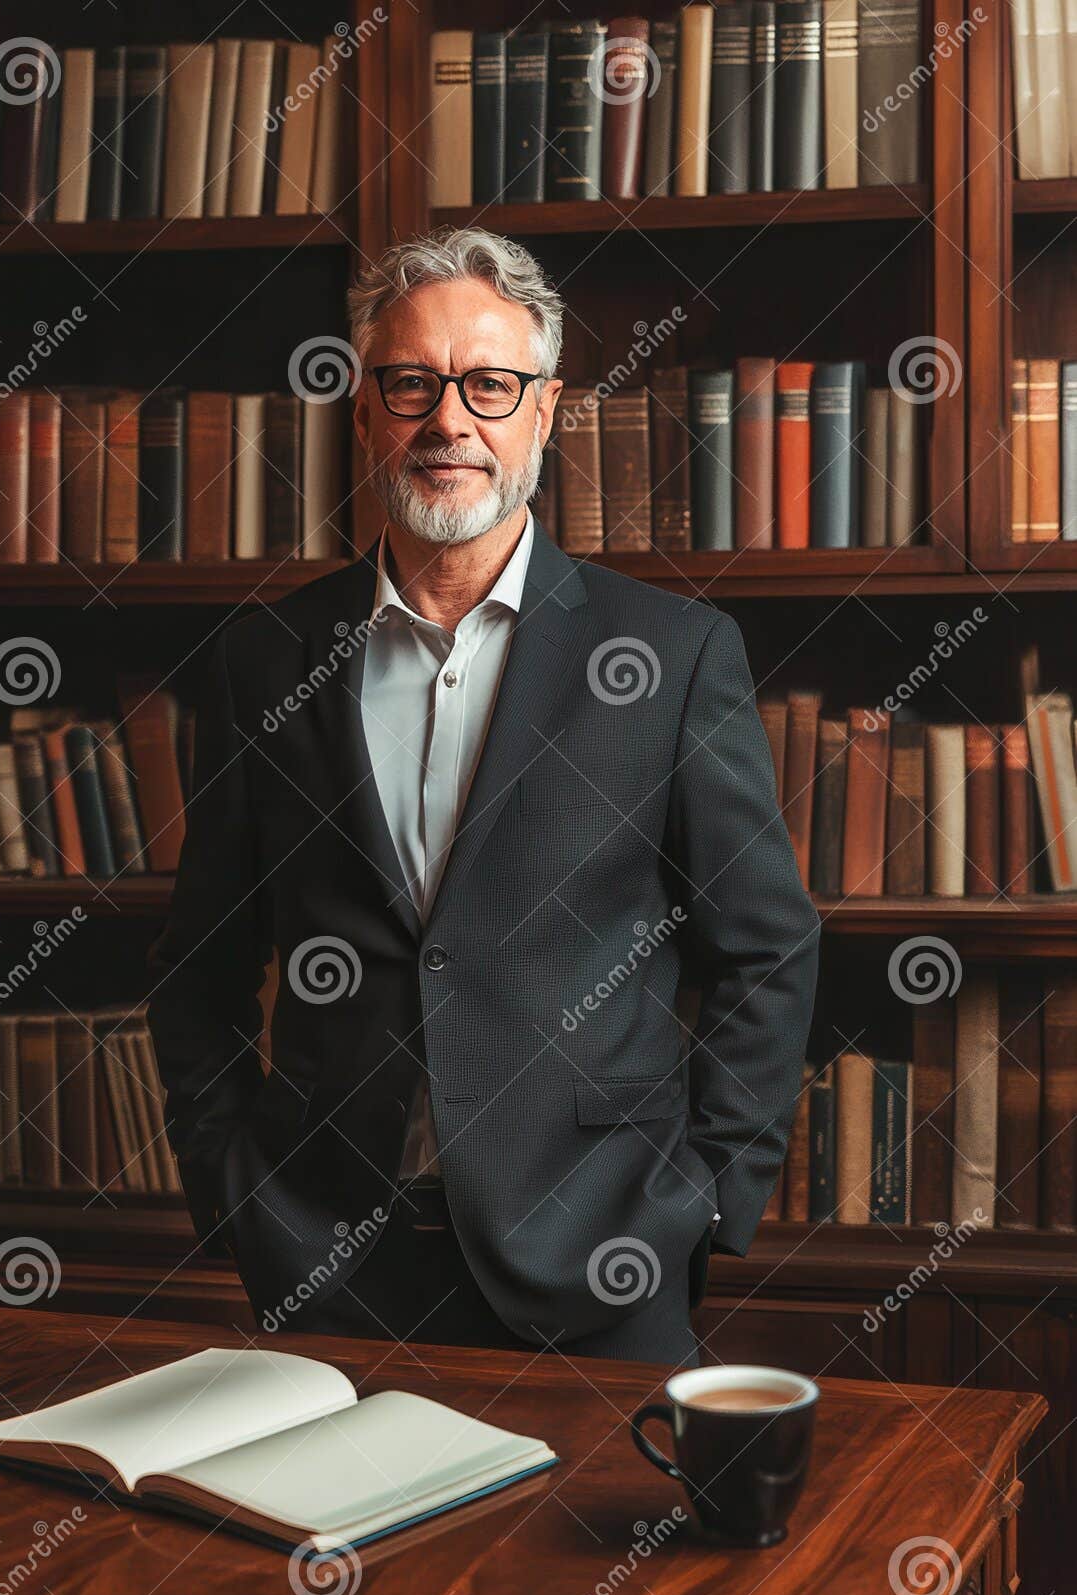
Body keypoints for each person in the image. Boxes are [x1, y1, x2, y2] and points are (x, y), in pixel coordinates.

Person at [146, 226, 820, 1366]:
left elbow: (765, 947)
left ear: (543, 412)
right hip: (327, 1260)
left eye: (488, 384)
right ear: (364, 411)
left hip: (601, 1257)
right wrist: (229, 1186)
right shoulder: (263, 660)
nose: (448, 420)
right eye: (411, 383)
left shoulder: (668, 652)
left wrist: (702, 1200)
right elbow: (196, 962)